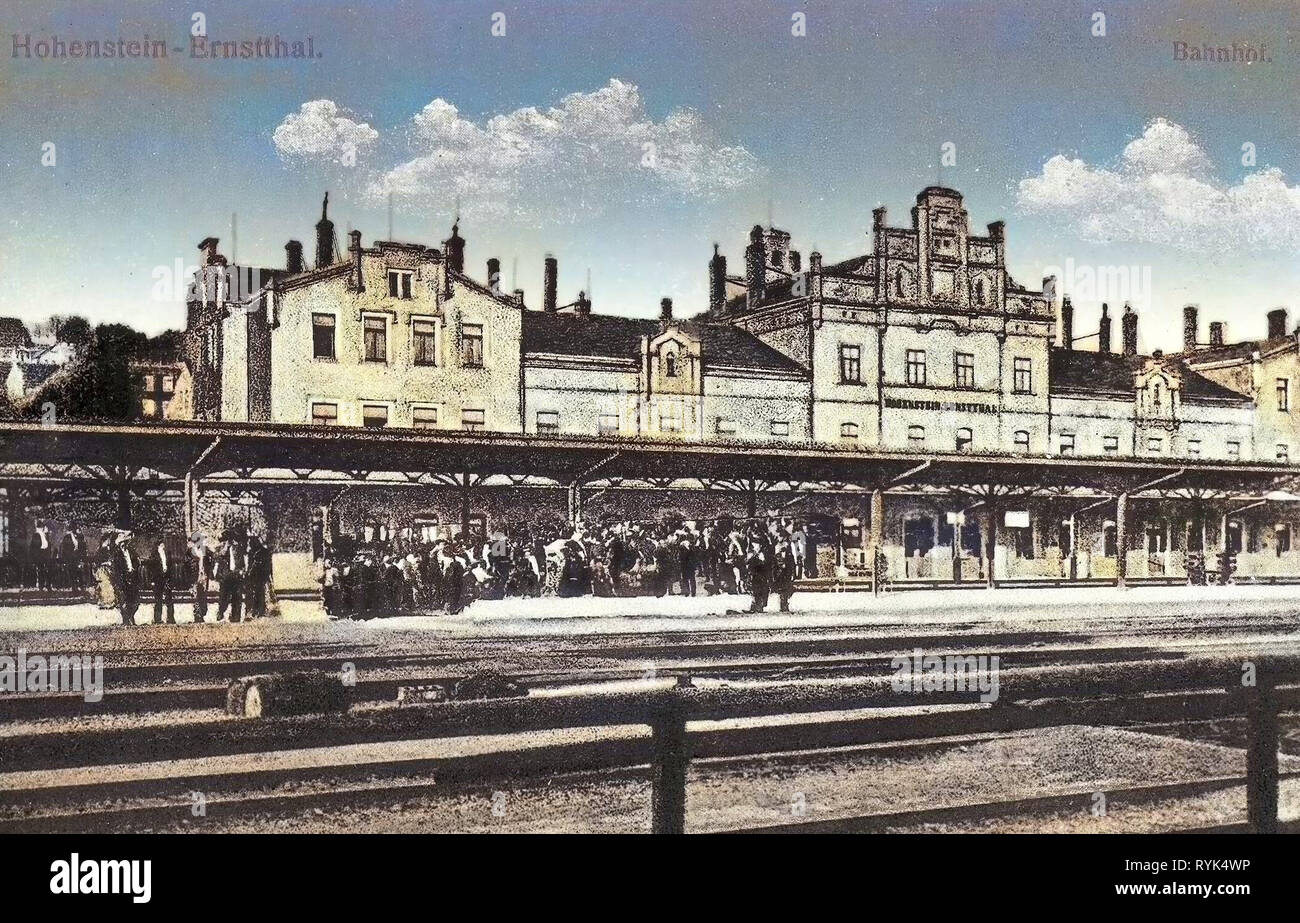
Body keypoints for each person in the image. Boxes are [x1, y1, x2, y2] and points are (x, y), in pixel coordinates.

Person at [214, 529, 247, 623]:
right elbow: (217, 557)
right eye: (227, 539)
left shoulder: (238, 548)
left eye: (231, 539)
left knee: (237, 597)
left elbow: (241, 561)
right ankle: (220, 613)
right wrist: (225, 548)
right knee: (224, 597)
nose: (230, 541)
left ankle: (236, 617)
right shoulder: (220, 548)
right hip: (225, 577)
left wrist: (242, 570)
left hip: (236, 575)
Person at [111, 531, 141, 626]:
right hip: (122, 578)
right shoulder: (117, 554)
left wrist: (134, 568)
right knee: (124, 600)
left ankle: (131, 616)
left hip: (132, 577)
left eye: (125, 542)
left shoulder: (131, 552)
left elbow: (136, 561)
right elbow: (116, 568)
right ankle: (126, 619)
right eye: (122, 543)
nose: (124, 544)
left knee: (135, 600)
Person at [149, 533, 177, 624]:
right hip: (158, 579)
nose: (162, 545)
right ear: (158, 545)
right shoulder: (154, 555)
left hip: (167, 578)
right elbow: (152, 569)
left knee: (169, 598)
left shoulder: (167, 553)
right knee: (158, 599)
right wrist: (152, 580)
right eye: (160, 543)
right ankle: (157, 619)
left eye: (163, 543)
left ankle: (170, 618)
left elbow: (171, 566)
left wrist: (170, 578)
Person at [188, 531, 214, 623]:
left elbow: (213, 557)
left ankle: (202, 613)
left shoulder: (205, 550)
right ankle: (197, 615)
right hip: (194, 576)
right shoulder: (190, 552)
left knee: (203, 595)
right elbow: (186, 565)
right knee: (195, 595)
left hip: (203, 576)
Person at [59, 526, 87, 593]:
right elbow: (64, 549)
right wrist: (64, 559)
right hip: (70, 558)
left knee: (79, 572)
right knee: (72, 573)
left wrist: (82, 557)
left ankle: (82, 587)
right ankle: (74, 588)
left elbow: (83, 547)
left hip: (78, 557)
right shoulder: (67, 537)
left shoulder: (80, 536)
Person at [29, 520, 54, 591]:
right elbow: (34, 547)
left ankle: (48, 586)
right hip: (40, 555)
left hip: (45, 554)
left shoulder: (45, 535)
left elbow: (47, 545)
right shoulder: (36, 535)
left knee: (47, 570)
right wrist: (35, 557)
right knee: (41, 571)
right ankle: (41, 586)